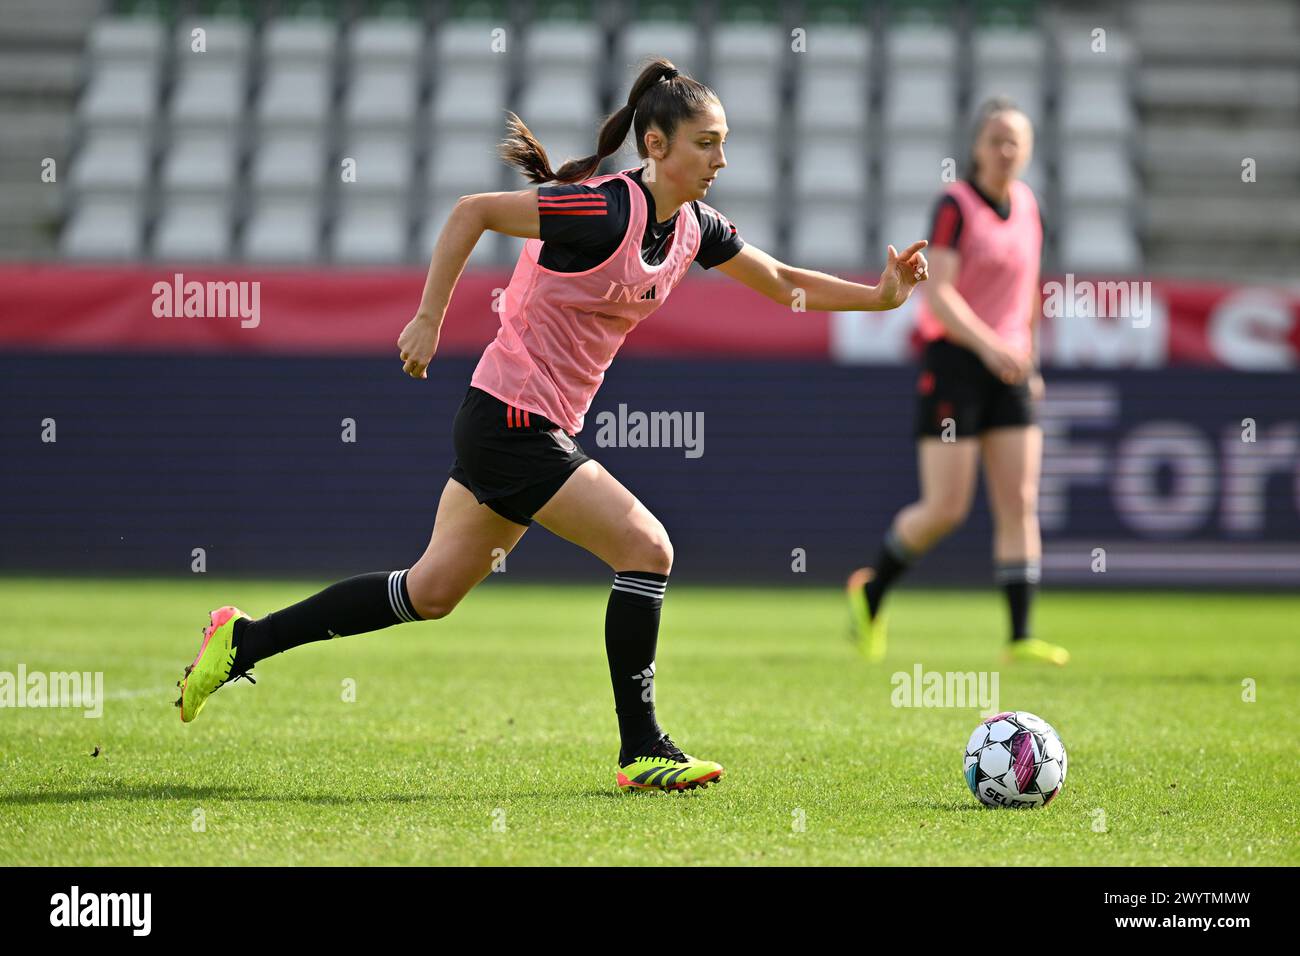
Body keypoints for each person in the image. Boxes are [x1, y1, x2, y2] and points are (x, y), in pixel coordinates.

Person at [176, 57, 930, 792]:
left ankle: (245, 639)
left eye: (725, 142)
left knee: (430, 592)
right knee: (648, 547)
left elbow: (783, 283)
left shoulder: (695, 227)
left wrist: (882, 295)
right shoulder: (601, 209)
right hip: (511, 420)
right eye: (708, 143)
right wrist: (429, 317)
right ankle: (643, 748)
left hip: (521, 423)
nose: (721, 159)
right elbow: (472, 211)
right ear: (657, 145)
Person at [847, 96, 1068, 667]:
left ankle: (1020, 634)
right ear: (975, 147)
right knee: (946, 506)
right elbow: (939, 294)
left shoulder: (1028, 205)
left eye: (1016, 139)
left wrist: (1029, 360)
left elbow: (1027, 296)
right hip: (957, 364)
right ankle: (871, 593)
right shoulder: (956, 204)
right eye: (995, 138)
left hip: (1011, 368)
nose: (1005, 149)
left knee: (1020, 500)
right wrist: (991, 346)